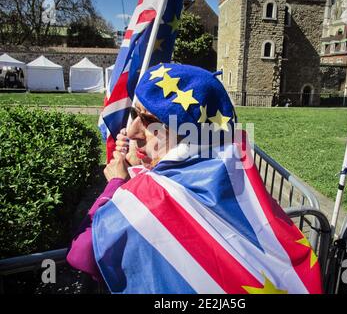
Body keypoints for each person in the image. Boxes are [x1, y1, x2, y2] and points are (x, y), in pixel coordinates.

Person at [67, 63, 323, 294]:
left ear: (187, 135)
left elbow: (82, 251)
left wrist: (116, 186)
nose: (133, 131)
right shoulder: (230, 166)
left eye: (148, 120)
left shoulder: (151, 195)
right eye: (135, 114)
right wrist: (146, 165)